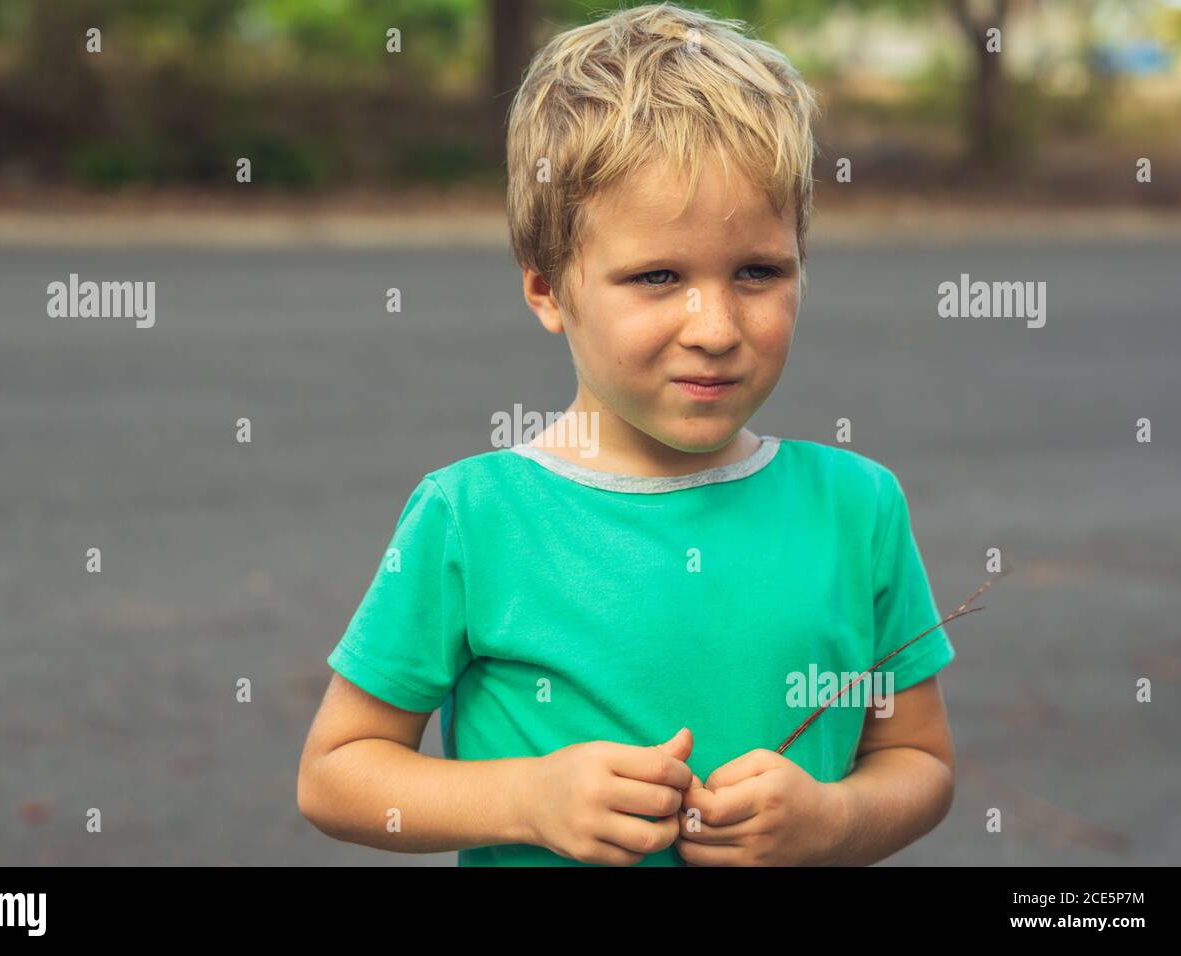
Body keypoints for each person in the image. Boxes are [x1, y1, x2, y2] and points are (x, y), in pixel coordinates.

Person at [298, 2, 956, 866]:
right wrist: (527, 798)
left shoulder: (856, 507)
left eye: (758, 271)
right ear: (546, 290)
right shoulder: (474, 515)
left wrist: (834, 821)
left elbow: (919, 761)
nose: (715, 325)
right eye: (657, 277)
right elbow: (337, 774)